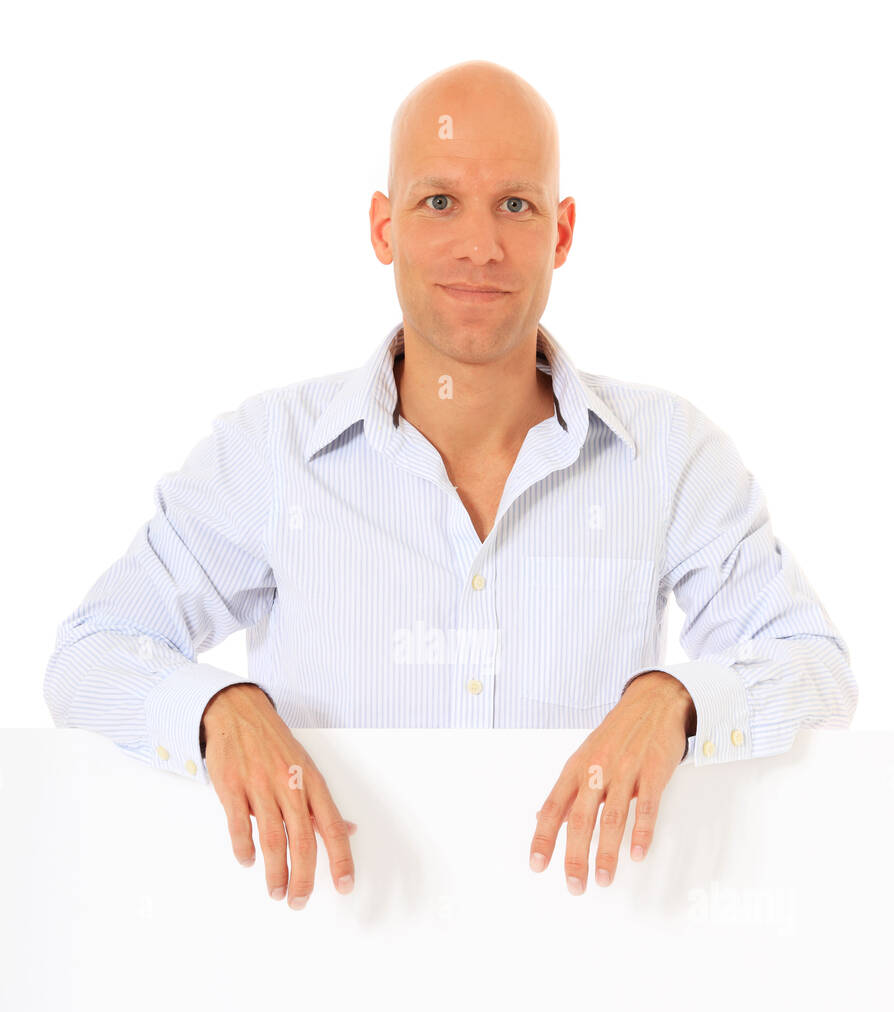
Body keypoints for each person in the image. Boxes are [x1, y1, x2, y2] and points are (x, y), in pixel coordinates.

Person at [43, 60, 858, 909]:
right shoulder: (266, 453)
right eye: (439, 202)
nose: (481, 246)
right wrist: (218, 707)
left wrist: (676, 696)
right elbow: (89, 658)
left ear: (563, 232)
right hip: (324, 972)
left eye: (516, 204)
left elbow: (816, 670)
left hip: (598, 978)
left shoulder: (670, 454)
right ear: (383, 227)